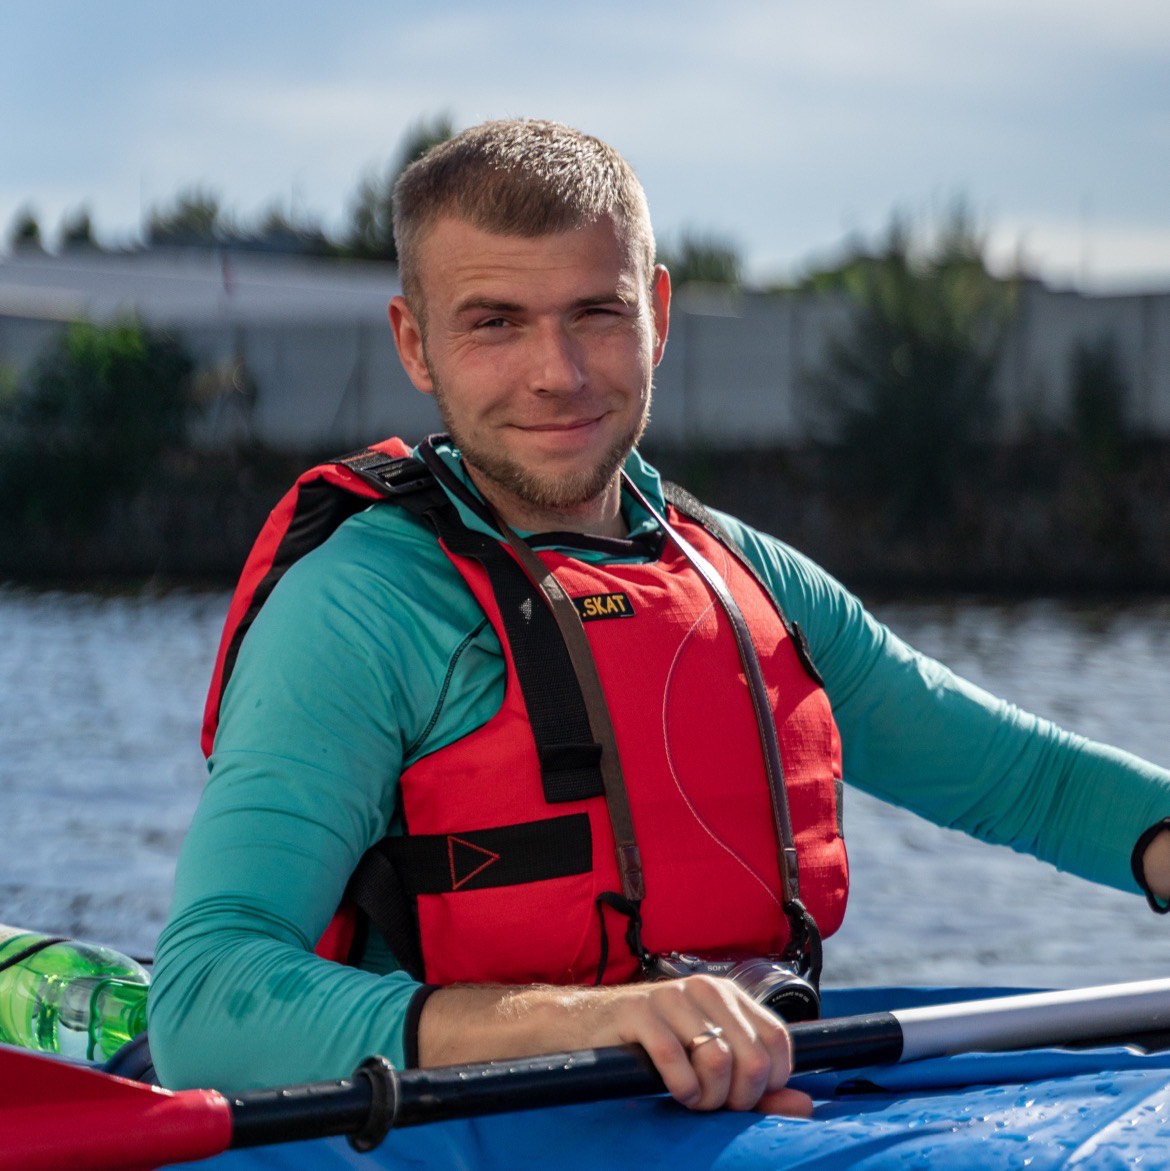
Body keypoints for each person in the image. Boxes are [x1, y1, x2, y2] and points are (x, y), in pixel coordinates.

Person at [148, 119, 1170, 1114]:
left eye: (597, 312)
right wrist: (599, 1023)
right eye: (495, 322)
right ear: (416, 343)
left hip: (747, 1096)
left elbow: (1030, 783)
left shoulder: (747, 578)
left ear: (659, 316)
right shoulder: (360, 609)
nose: (558, 373)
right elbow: (202, 1000)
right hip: (466, 1129)